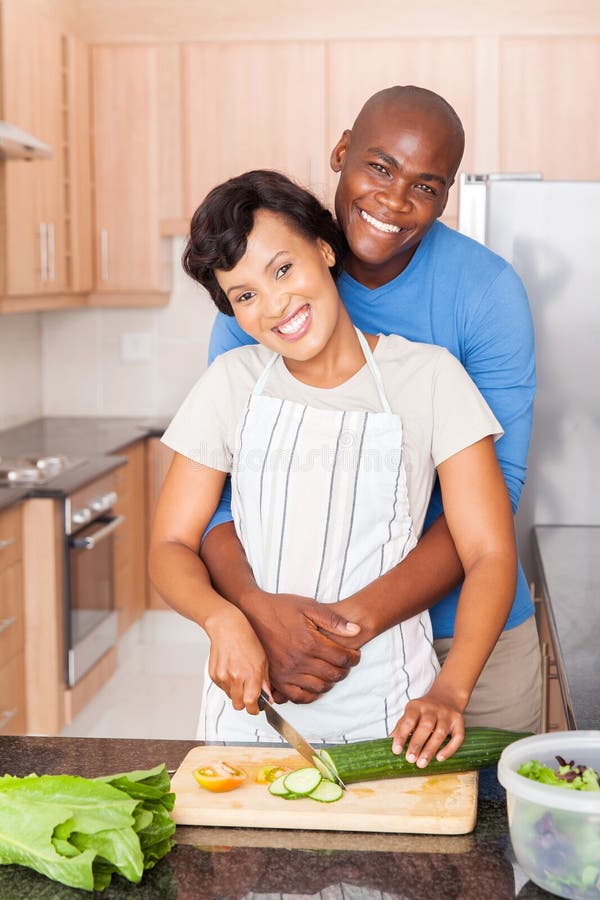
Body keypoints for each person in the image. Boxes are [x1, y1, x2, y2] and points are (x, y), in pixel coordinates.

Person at [199, 85, 541, 734]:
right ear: (341, 152)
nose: (393, 200)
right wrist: (256, 610)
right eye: (380, 168)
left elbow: (501, 496)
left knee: (477, 833)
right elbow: (218, 498)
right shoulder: (268, 295)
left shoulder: (486, 294)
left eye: (426, 186)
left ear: (446, 198)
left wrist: (346, 626)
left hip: (468, 646)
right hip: (289, 644)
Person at [149, 169, 517, 767]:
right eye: (245, 296)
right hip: (249, 721)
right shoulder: (230, 384)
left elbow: (489, 552)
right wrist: (223, 619)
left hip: (392, 717)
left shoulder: (428, 377)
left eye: (282, 269)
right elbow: (169, 543)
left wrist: (451, 691)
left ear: (323, 249)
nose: (276, 306)